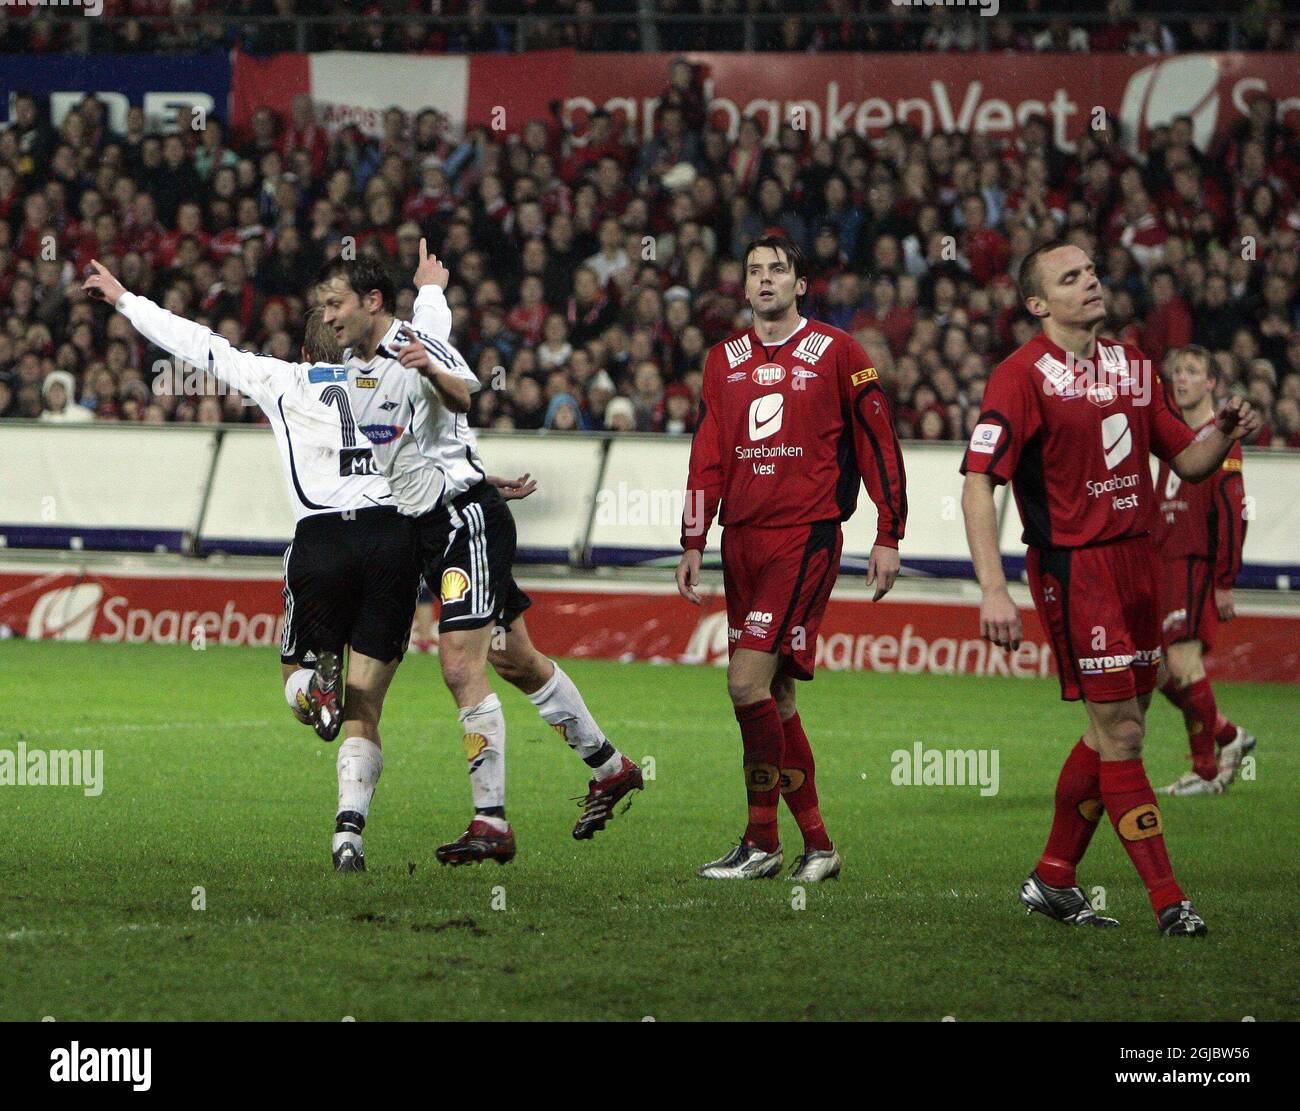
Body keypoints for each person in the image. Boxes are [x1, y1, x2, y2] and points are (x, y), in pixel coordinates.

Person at [82, 259, 534, 874]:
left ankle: (308, 692)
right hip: (393, 540)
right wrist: (475, 479)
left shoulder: (284, 380)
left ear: (304, 348)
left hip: (321, 543)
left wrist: (124, 299)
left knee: (299, 674)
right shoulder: (383, 377)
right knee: (366, 703)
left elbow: (200, 346)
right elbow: (434, 428)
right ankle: (349, 834)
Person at [959, 241, 1260, 937]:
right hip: (1076, 569)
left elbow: (1186, 459)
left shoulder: (1133, 364)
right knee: (1122, 733)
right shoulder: (1019, 376)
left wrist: (1222, 430)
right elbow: (979, 482)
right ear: (1038, 304)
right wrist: (992, 587)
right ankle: (1169, 900)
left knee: (1114, 731)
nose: (1090, 281)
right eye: (1070, 278)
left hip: (1139, 566)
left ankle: (1054, 877)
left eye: (1091, 270)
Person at [318, 245, 643, 866]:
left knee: (460, 668)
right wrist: (483, 476)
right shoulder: (356, 370)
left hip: (463, 525)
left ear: (371, 302)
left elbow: (465, 397)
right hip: (437, 524)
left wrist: (434, 371)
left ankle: (491, 820)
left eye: (336, 305)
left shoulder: (413, 344)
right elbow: (426, 454)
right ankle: (611, 768)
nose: (329, 317)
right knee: (516, 660)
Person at [675, 234, 907, 882]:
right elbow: (708, 453)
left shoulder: (838, 351)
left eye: (779, 269)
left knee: (745, 682)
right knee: (775, 694)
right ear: (744, 287)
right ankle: (819, 845)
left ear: (801, 283)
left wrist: (889, 531)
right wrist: (694, 539)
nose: (766, 279)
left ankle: (761, 840)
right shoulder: (723, 360)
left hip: (804, 537)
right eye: (755, 271)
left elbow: (877, 441)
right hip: (741, 538)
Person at [1151, 345, 1254, 795]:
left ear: (1211, 382)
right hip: (1162, 566)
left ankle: (1206, 772)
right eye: (1177, 372)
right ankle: (1231, 736)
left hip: (1193, 564)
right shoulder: (1171, 436)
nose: (1182, 379)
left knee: (1183, 662)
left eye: (1193, 371)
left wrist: (1225, 580)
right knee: (1154, 671)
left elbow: (1234, 510)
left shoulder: (1221, 436)